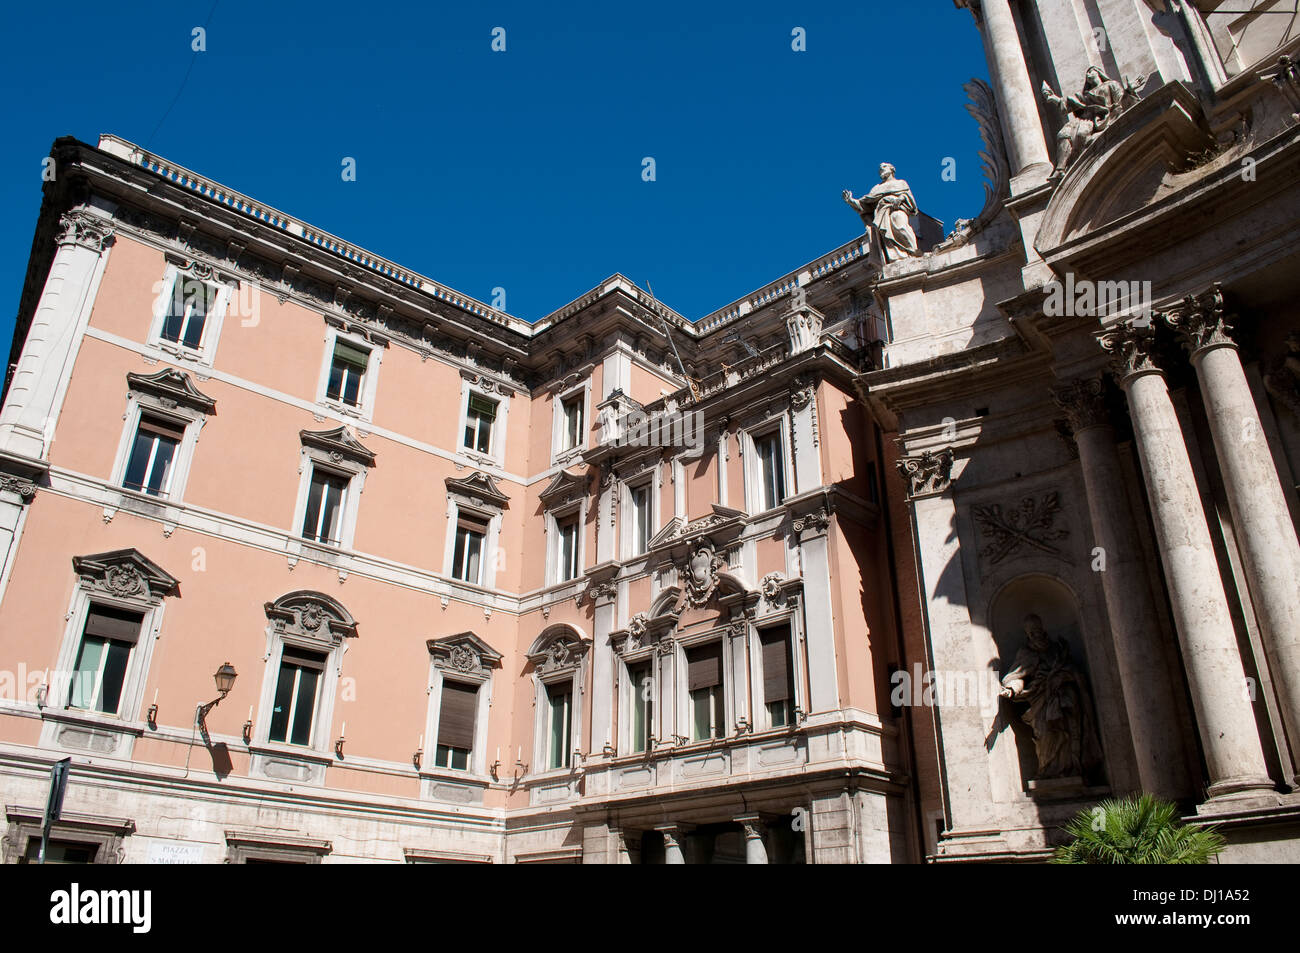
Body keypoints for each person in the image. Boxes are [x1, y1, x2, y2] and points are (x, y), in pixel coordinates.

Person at [842, 163, 920, 262]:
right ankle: (896, 259)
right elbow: (865, 205)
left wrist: (900, 198)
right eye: (879, 169)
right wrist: (851, 201)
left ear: (892, 169)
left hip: (897, 209)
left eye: (884, 167)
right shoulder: (876, 188)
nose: (881, 170)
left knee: (900, 226)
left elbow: (909, 198)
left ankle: (912, 252)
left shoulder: (901, 183)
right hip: (882, 213)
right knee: (886, 236)